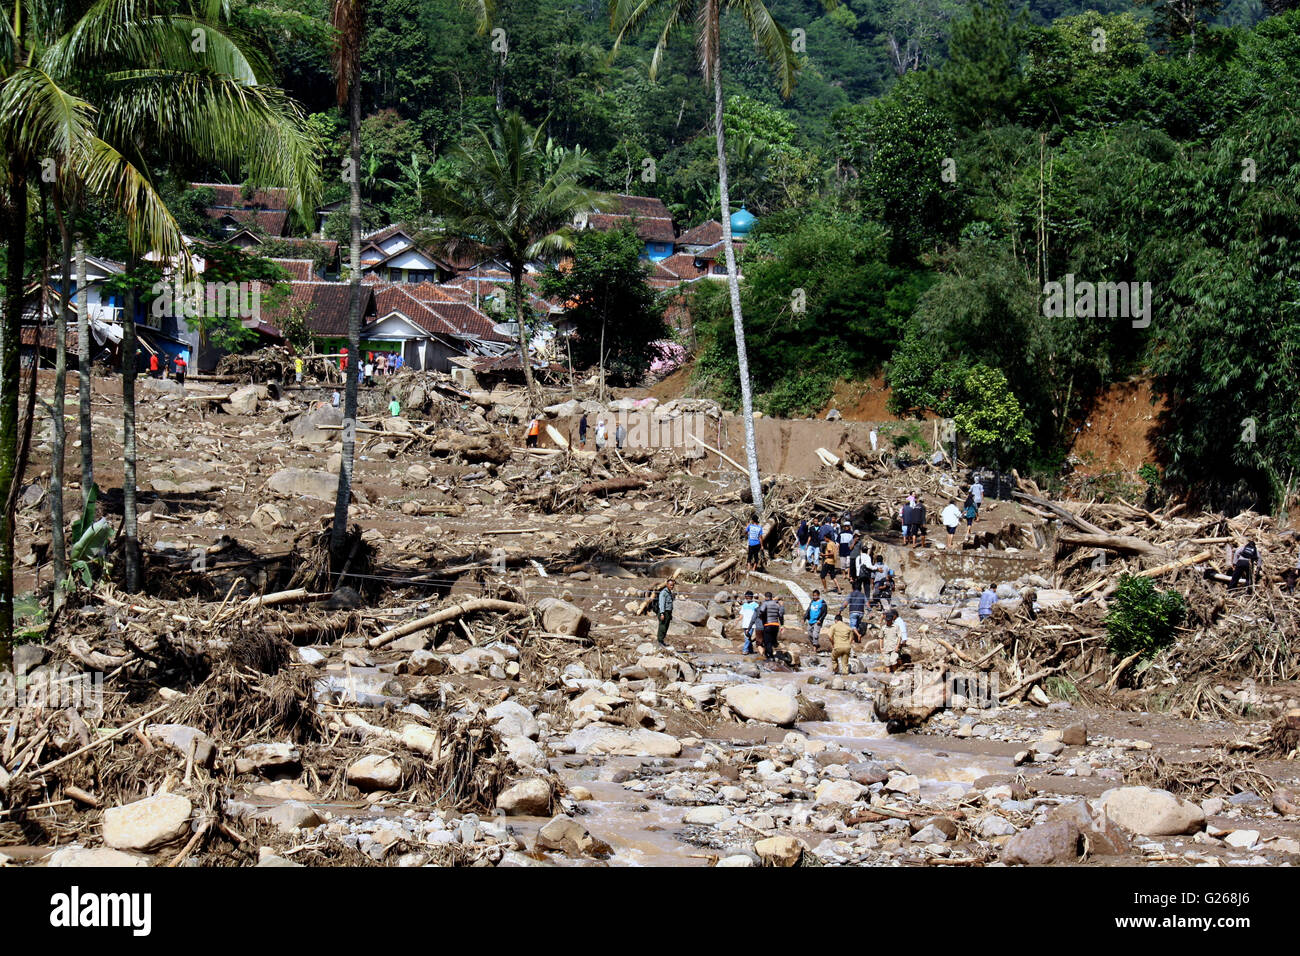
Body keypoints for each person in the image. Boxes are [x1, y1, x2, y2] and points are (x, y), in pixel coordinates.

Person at [758, 591, 782, 660]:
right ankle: (773, 655)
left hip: (768, 624)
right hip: (776, 625)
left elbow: (761, 611)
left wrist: (760, 617)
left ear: (766, 597)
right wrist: (782, 624)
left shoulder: (765, 603)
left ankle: (770, 656)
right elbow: (780, 615)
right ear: (771, 597)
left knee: (767, 641)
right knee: (772, 641)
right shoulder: (777, 604)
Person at [655, 579, 676, 645]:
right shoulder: (663, 593)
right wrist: (662, 613)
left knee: (666, 627)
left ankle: (662, 640)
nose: (672, 586)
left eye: (673, 585)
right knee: (662, 627)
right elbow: (662, 603)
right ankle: (659, 641)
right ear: (667, 585)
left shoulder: (669, 592)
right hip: (664, 612)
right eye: (670, 585)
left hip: (668, 612)